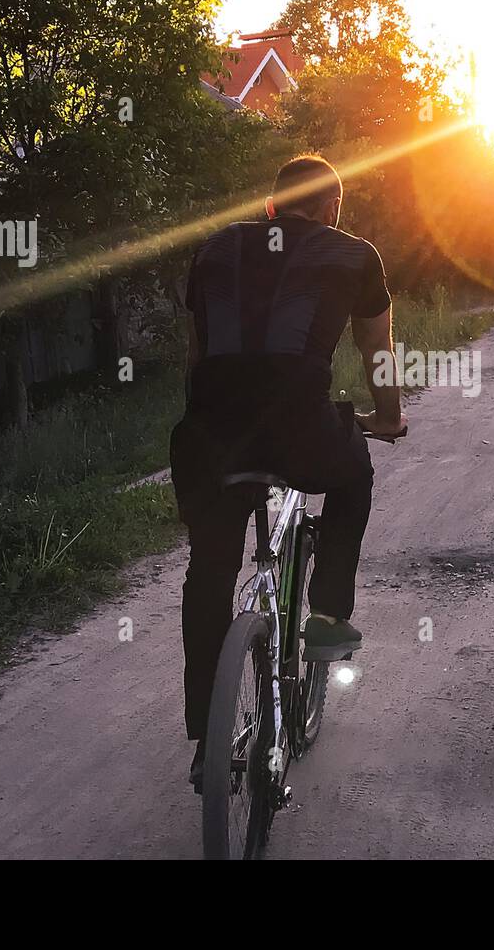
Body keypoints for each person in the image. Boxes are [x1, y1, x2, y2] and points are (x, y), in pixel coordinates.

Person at [171, 154, 406, 791]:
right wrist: (387, 416)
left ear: (271, 206)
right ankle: (327, 617)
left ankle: (206, 739)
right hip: (300, 429)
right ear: (333, 209)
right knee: (353, 471)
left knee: (210, 570)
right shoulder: (353, 253)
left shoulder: (217, 248)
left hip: (210, 435)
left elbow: (199, 353)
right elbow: (375, 348)